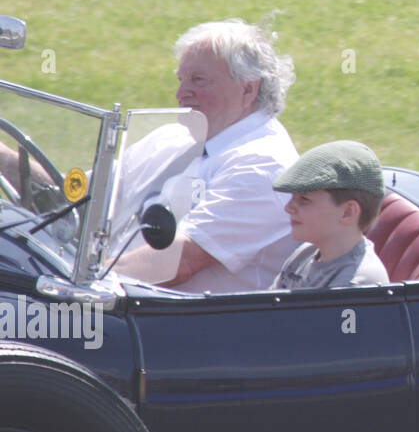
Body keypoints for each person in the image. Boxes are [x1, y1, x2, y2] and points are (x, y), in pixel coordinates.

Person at [117, 19, 300, 291]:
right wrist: (30, 172)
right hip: (113, 303)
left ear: (248, 88)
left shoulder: (263, 166)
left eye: (198, 80)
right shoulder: (170, 138)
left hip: (176, 324)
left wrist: (81, 279)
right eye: (181, 80)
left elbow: (176, 263)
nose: (180, 94)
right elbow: (82, 198)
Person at [271, 140, 389, 289]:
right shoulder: (305, 253)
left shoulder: (356, 284)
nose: (289, 208)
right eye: (292, 198)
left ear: (348, 212)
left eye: (304, 199)